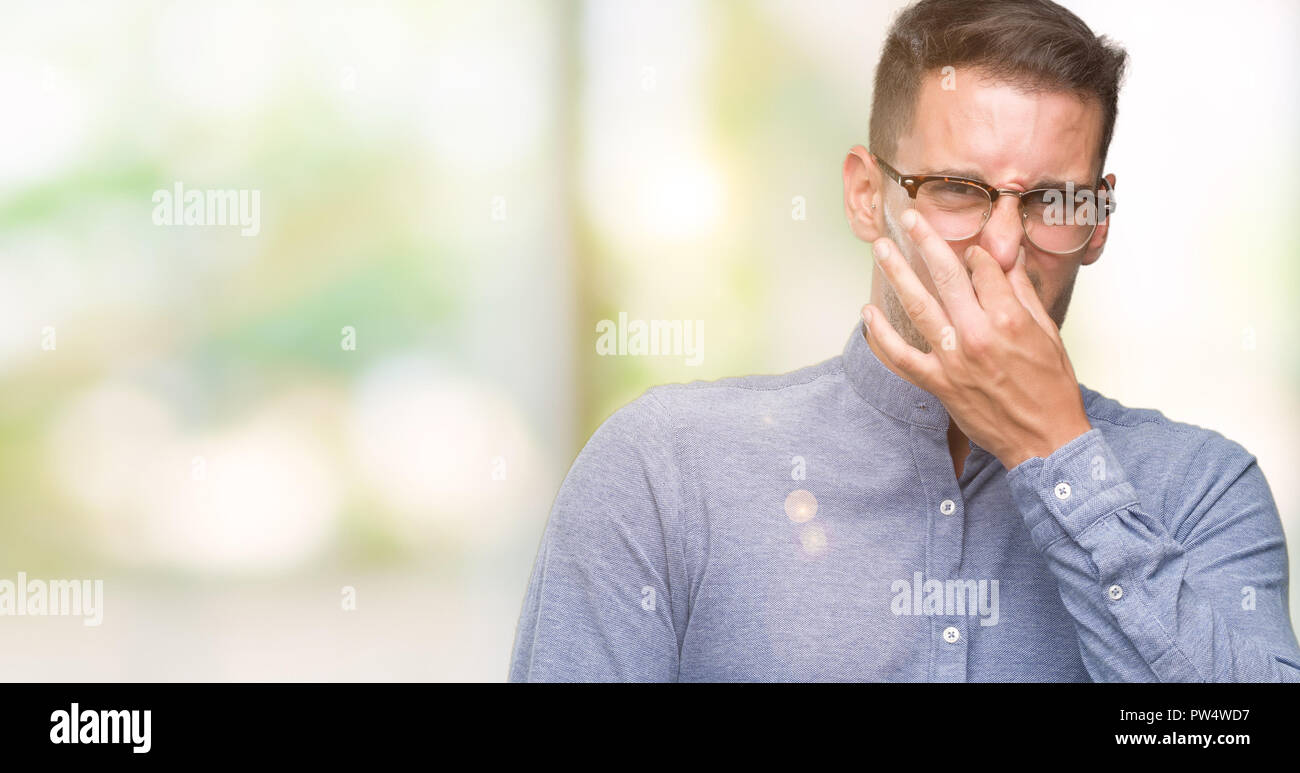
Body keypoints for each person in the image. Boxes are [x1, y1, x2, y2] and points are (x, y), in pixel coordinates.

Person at [508, 0, 1300, 681]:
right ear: (865, 196)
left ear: (1096, 222)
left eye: (1053, 199)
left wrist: (1056, 452)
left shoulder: (1204, 491)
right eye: (957, 189)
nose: (1000, 247)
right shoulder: (661, 472)